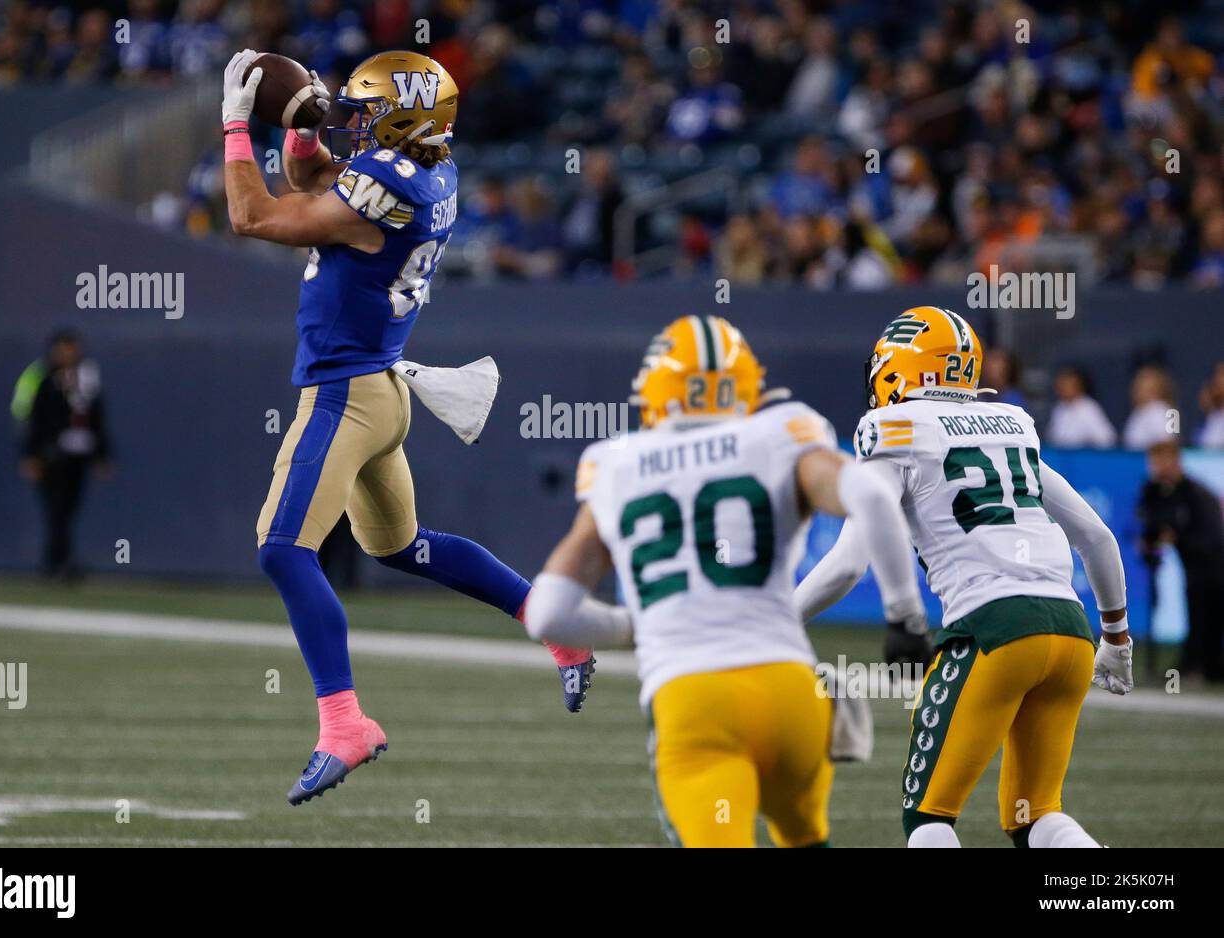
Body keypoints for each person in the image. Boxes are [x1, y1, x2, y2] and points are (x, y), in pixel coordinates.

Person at [217, 49, 592, 805]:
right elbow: (322, 187)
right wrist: (297, 133)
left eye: (365, 113)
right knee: (404, 547)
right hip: (381, 389)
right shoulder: (427, 171)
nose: (353, 124)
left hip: (344, 395)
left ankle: (343, 722)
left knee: (283, 551)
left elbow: (254, 214)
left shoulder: (387, 182)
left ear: (401, 120)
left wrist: (234, 127)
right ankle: (557, 627)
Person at [523, 315, 931, 848]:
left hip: (692, 697)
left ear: (656, 389)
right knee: (807, 838)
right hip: (790, 690)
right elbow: (873, 499)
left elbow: (547, 613)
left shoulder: (615, 463)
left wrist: (636, 626)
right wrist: (906, 617)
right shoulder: (782, 432)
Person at [793, 307, 1132, 848]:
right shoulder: (1012, 424)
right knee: (1036, 816)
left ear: (899, 367)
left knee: (929, 818)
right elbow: (1097, 537)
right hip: (1070, 632)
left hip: (993, 630)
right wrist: (1115, 640)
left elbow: (850, 561)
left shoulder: (894, 428)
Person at [12, 329, 113, 578]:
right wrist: (30, 455)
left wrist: (101, 454)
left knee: (68, 509)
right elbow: (29, 418)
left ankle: (58, 561)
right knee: (55, 509)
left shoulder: (87, 375)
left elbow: (96, 417)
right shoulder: (40, 377)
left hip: (78, 454)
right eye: (66, 349)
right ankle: (58, 562)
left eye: (74, 349)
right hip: (50, 453)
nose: (71, 354)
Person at [1138, 439, 1224, 683]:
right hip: (1192, 566)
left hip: (1212, 566)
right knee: (1195, 609)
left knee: (1207, 613)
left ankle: (1204, 666)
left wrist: (1177, 538)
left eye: (1160, 461)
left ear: (1174, 460)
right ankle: (1194, 664)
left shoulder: (1197, 494)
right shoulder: (1158, 491)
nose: (1155, 467)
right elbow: (1150, 525)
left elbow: (1211, 538)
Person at [1045, 364, 1117, 448]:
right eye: (1061, 384)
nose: (1063, 387)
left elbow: (1107, 439)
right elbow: (1052, 438)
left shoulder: (1088, 407)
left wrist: (1086, 445)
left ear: (1078, 385)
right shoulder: (1059, 408)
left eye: (1067, 384)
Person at [1123, 364, 1176, 450]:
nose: (1135, 391)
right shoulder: (1139, 412)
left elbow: (1168, 443)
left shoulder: (1161, 410)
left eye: (1141, 387)